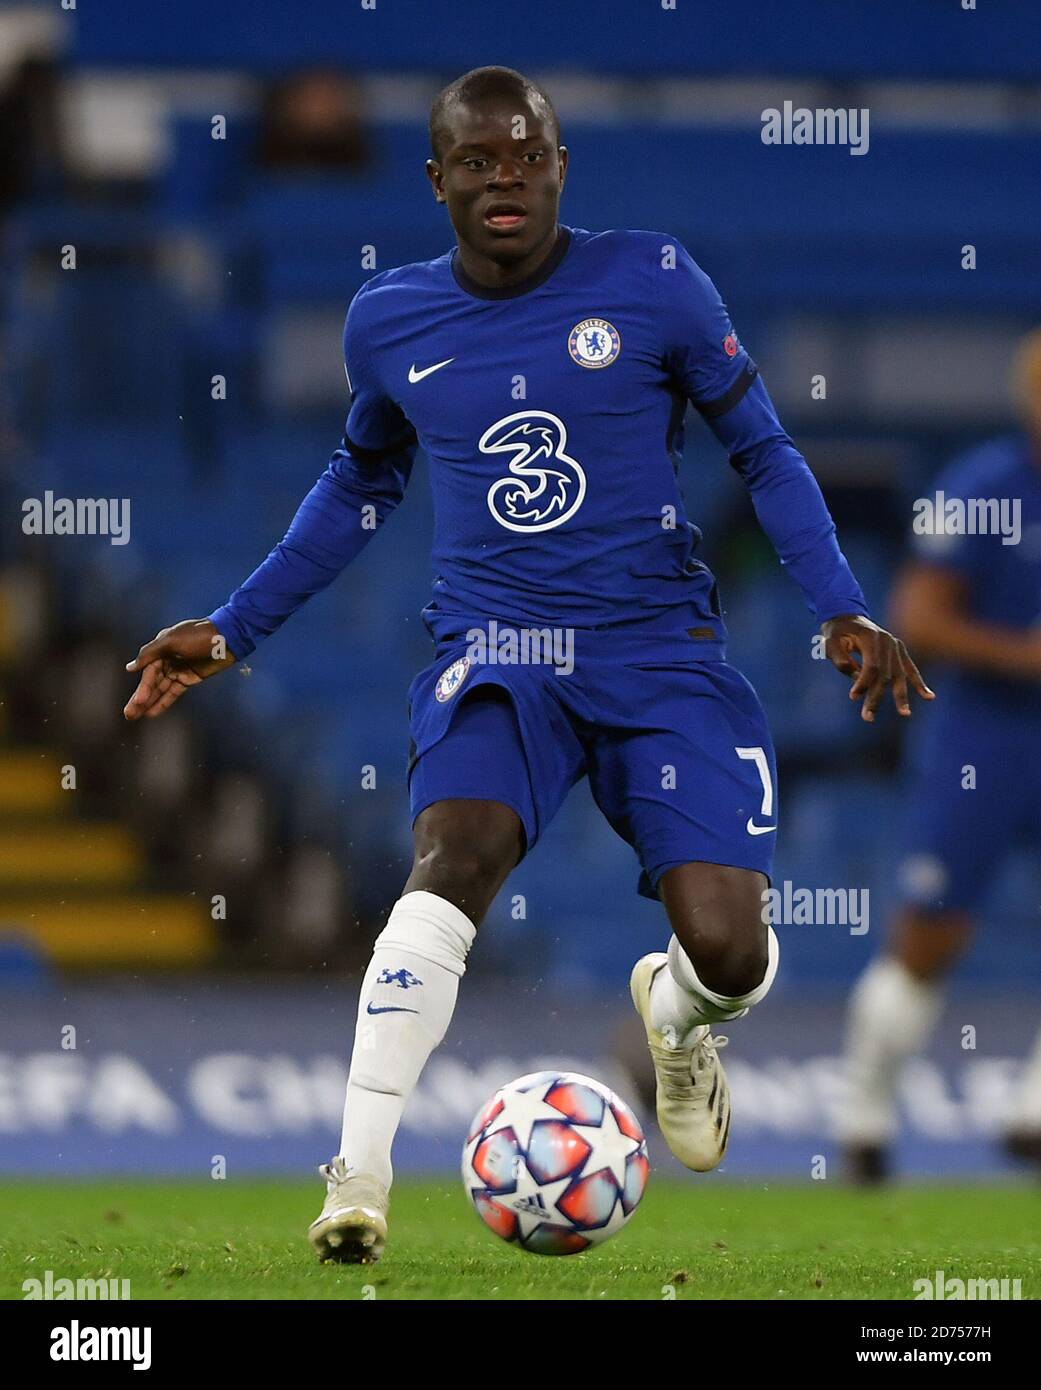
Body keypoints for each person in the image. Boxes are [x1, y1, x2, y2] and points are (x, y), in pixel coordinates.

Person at [124, 67, 931, 1262]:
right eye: (478, 159)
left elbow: (760, 449)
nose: (505, 177)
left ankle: (675, 1018)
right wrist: (238, 624)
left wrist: (841, 607)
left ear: (560, 168)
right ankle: (357, 1175)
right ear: (437, 177)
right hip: (497, 652)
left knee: (732, 951)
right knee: (452, 857)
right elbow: (361, 480)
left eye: (527, 155)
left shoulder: (653, 281)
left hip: (662, 653)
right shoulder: (388, 320)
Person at [839, 330, 1041, 1183]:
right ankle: (864, 1116)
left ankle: (1032, 1114)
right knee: (930, 932)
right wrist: (1021, 656)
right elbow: (913, 616)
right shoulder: (982, 487)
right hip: (985, 736)